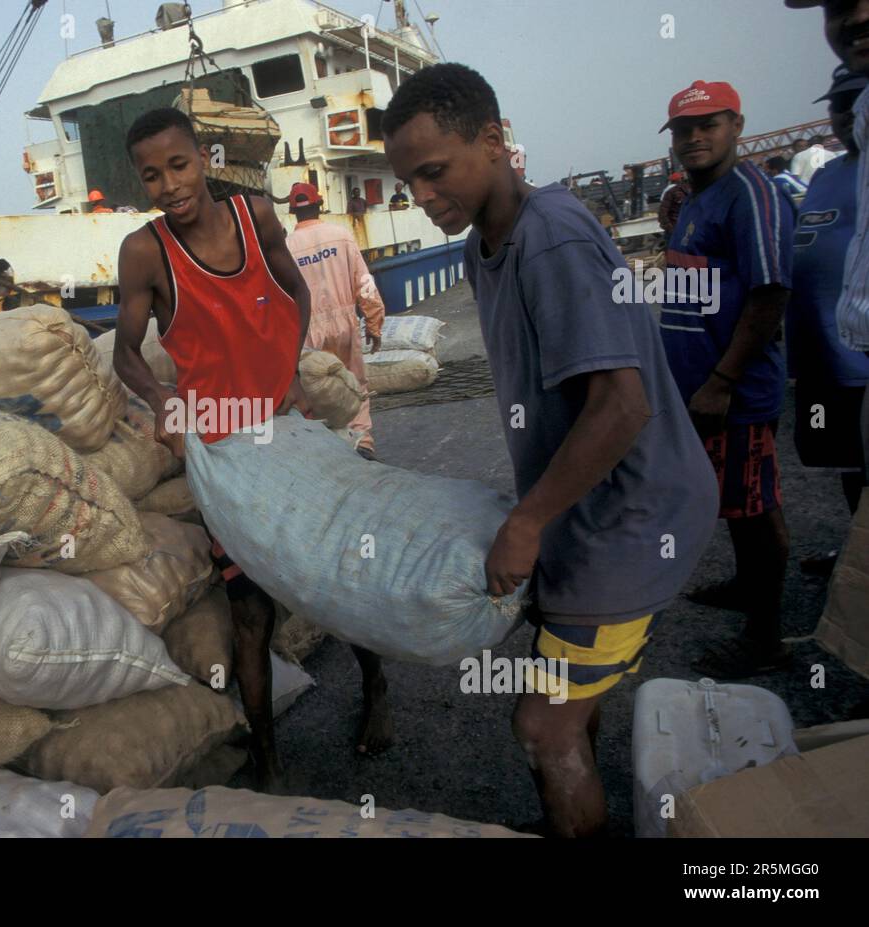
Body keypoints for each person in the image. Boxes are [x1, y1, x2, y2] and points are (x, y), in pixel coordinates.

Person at [382, 63, 717, 837]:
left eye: (435, 173)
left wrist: (527, 522)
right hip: (585, 513)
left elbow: (622, 406)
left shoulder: (552, 239)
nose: (424, 198)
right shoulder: (483, 247)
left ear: (495, 141)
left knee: (544, 727)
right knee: (563, 691)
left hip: (632, 516)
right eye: (408, 185)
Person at [112, 108, 396, 787]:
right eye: (152, 175)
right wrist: (161, 399)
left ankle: (378, 687)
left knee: (337, 576)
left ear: (203, 158)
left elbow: (293, 288)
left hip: (289, 431)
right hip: (225, 452)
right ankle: (268, 761)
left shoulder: (255, 216)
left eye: (179, 165)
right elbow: (125, 353)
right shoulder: (144, 251)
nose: (170, 185)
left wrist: (289, 361)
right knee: (249, 612)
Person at [656, 80, 795, 678]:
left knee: (755, 509)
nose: (694, 138)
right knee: (738, 504)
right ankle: (746, 587)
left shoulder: (749, 193)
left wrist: (721, 381)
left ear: (737, 125)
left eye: (708, 125)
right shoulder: (695, 197)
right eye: (683, 129)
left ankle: (765, 640)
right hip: (702, 388)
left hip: (733, 393)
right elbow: (701, 281)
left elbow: (769, 295)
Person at [788, 65, 869, 572]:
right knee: (845, 463)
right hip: (821, 357)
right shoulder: (826, 175)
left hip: (862, 359)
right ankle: (858, 555)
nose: (843, 114)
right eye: (838, 104)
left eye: (854, 100)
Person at [285, 181, 386, 458]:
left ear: (293, 212)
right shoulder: (341, 236)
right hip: (344, 323)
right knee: (354, 381)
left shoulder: (286, 247)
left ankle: (330, 448)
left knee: (317, 388)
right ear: (319, 205)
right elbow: (364, 282)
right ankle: (362, 439)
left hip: (308, 330)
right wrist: (374, 324)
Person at [658, 171, 692, 235]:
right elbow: (663, 212)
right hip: (677, 226)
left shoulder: (688, 190)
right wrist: (671, 229)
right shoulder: (672, 190)